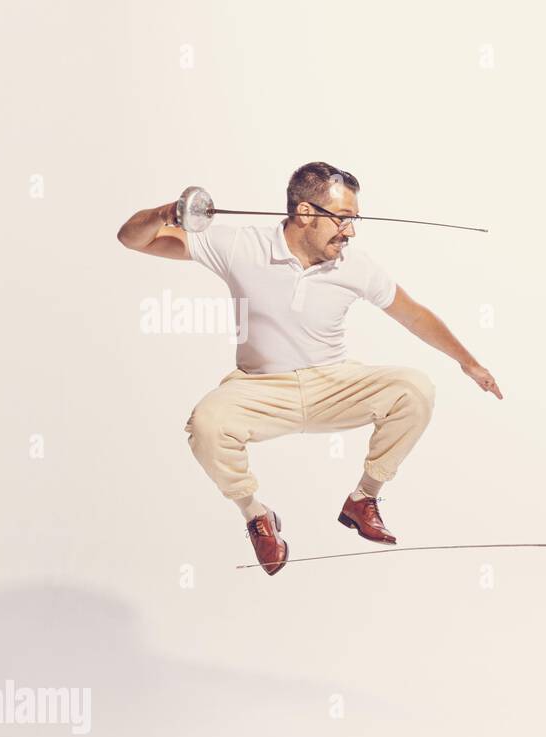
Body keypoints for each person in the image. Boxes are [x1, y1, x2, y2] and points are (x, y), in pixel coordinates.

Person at [117, 162, 502, 574]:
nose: (350, 231)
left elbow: (414, 316)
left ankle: (362, 500)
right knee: (207, 424)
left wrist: (469, 362)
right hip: (260, 388)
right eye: (343, 219)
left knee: (415, 388)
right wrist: (166, 212)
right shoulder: (238, 246)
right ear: (305, 213)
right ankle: (255, 516)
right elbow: (133, 239)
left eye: (354, 220)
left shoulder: (356, 265)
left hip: (333, 384)